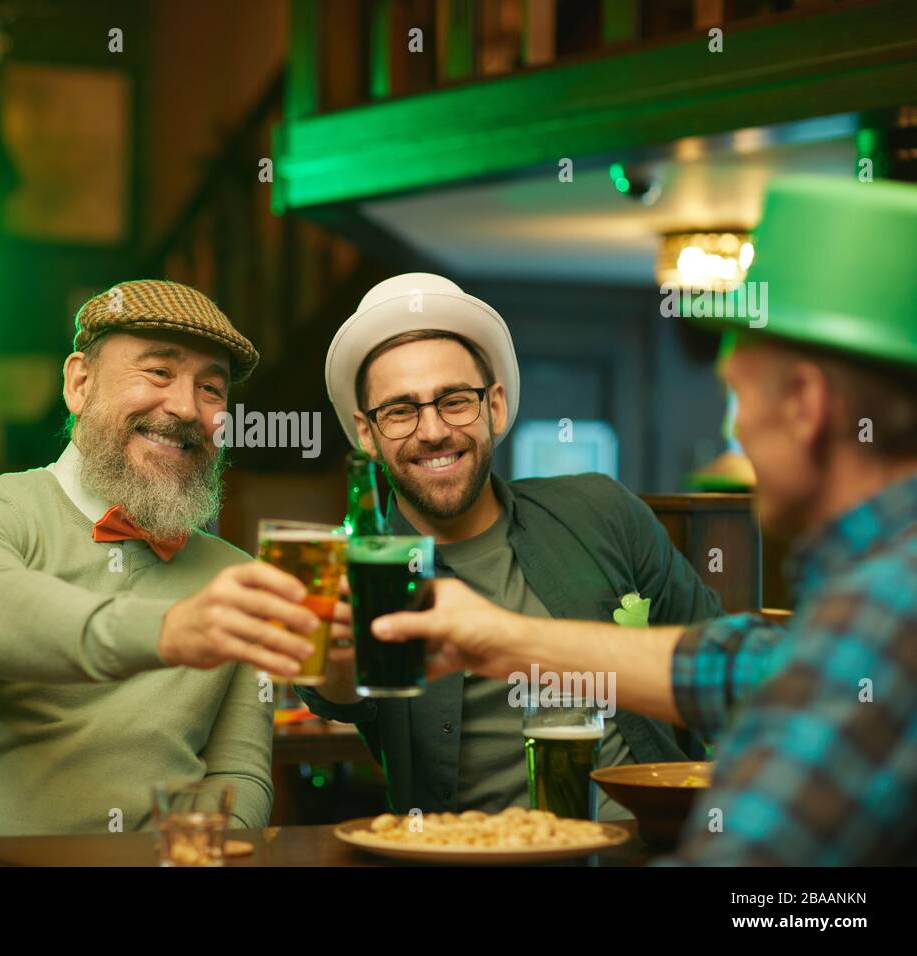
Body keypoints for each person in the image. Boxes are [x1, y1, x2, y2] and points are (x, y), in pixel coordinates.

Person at [371, 176, 917, 864]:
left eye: (737, 397)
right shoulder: (876, 591)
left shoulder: (883, 608)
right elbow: (738, 666)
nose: (738, 432)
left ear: (805, 403)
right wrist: (502, 638)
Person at [0, 280, 318, 865]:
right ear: (80, 383)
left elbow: (237, 773)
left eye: (211, 389)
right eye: (157, 372)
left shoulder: (234, 576)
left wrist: (198, 853)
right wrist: (174, 630)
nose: (184, 407)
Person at [297, 272, 723, 819]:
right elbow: (339, 695)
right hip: (466, 857)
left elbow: (717, 660)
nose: (431, 431)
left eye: (454, 401)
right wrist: (334, 652)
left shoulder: (604, 510)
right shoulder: (360, 564)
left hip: (646, 847)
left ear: (494, 406)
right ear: (366, 432)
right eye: (400, 411)